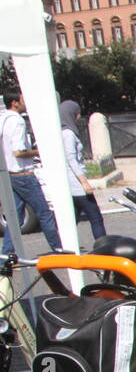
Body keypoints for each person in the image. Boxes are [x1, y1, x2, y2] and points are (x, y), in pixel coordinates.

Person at [1, 92, 61, 255]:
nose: (26, 103)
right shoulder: (18, 121)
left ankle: (5, 254)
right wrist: (39, 151)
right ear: (15, 103)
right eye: (23, 100)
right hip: (24, 174)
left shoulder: (3, 118)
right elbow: (19, 152)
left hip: (9, 175)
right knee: (44, 212)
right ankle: (58, 249)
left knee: (16, 217)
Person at [60, 100, 106, 242]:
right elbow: (71, 159)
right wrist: (84, 182)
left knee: (73, 217)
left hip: (72, 182)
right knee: (95, 216)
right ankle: (103, 247)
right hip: (76, 183)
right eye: (77, 112)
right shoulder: (68, 134)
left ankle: (64, 245)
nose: (79, 116)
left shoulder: (63, 132)